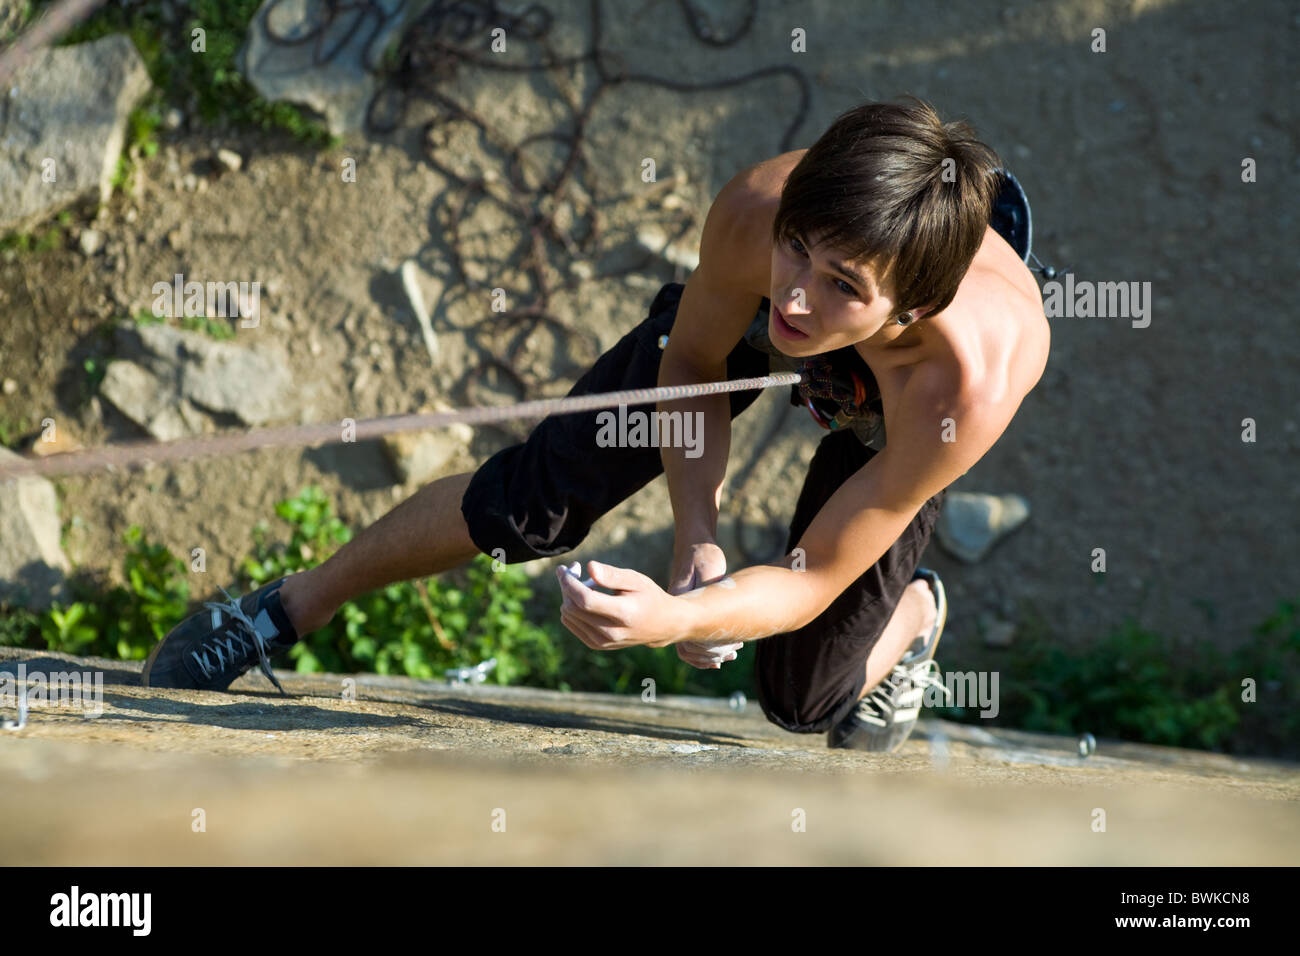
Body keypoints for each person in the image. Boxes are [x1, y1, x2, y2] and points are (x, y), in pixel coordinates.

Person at [142, 97, 1049, 753]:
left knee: (806, 700)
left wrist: (672, 622)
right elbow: (692, 366)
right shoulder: (760, 218)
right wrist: (698, 543)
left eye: (843, 283)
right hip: (828, 306)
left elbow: (809, 583)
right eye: (797, 252)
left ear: (910, 303)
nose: (798, 296)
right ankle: (288, 607)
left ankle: (916, 609)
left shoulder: (961, 389)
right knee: (532, 502)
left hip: (887, 409)